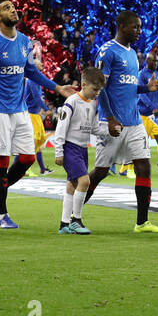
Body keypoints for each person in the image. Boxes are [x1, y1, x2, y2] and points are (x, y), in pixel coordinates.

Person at [0, 0, 77, 229]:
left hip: (20, 110)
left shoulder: (26, 42)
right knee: (2, 159)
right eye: (6, 8)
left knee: (28, 158)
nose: (13, 9)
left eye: (12, 6)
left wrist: (57, 88)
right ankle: (2, 216)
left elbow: (31, 72)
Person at [82, 10, 158, 232]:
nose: (139, 31)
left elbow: (127, 86)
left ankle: (142, 222)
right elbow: (100, 87)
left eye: (140, 27)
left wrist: (147, 88)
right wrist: (109, 117)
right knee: (100, 172)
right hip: (112, 122)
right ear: (122, 26)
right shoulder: (108, 52)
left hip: (134, 121)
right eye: (135, 27)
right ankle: (72, 214)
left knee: (144, 167)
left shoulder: (132, 54)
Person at [53, 68, 106, 234]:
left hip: (83, 149)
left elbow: (93, 128)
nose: (97, 93)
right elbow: (61, 128)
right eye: (95, 89)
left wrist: (109, 131)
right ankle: (76, 220)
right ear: (84, 85)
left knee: (72, 185)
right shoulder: (72, 102)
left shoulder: (92, 103)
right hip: (70, 147)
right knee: (85, 182)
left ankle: (64, 224)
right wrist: (59, 151)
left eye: (99, 91)